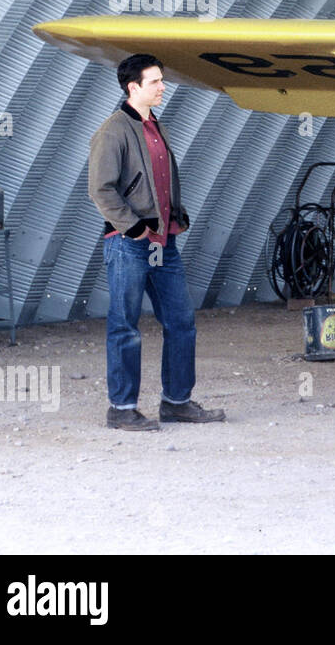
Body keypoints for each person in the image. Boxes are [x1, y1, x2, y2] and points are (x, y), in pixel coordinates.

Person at [88, 54, 225, 430]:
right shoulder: (113, 131)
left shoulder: (154, 126)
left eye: (162, 80)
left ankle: (177, 401)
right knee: (124, 326)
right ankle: (121, 409)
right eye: (155, 82)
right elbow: (100, 189)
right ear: (133, 87)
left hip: (163, 243)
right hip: (130, 243)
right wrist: (133, 229)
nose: (163, 86)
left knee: (181, 321)